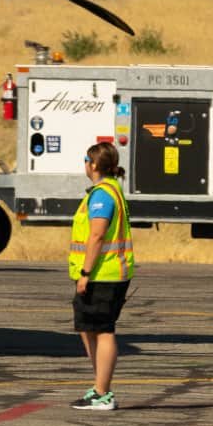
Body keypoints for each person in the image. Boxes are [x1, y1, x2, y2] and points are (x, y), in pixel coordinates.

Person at [70, 140, 134, 411]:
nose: (85, 165)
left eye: (86, 160)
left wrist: (85, 272)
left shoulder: (102, 195)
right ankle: (100, 385)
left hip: (103, 274)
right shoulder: (108, 190)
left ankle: (103, 393)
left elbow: (97, 235)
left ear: (94, 164)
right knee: (88, 328)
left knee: (103, 330)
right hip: (105, 272)